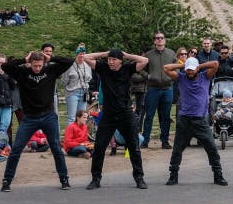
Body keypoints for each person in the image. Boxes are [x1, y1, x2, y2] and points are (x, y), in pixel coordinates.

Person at [1, 50, 74, 192]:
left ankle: (64, 178)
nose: (37, 69)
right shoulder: (23, 73)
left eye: (40, 65)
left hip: (48, 116)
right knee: (16, 149)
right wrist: (24, 59)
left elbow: (69, 62)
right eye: (35, 65)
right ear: (30, 63)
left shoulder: (51, 70)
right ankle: (6, 180)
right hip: (29, 118)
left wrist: (51, 58)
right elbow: (5, 67)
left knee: (56, 148)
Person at [82, 49, 149, 189]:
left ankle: (139, 178)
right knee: (99, 146)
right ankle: (95, 179)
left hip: (125, 112)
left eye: (114, 59)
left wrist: (127, 55)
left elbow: (145, 61)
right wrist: (105, 54)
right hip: (108, 114)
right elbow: (85, 57)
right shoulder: (103, 68)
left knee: (134, 146)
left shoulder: (127, 69)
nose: (111, 62)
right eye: (109, 59)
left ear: (120, 61)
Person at [163, 57, 227, 186]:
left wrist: (198, 66)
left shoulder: (205, 76)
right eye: (188, 70)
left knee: (211, 149)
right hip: (184, 120)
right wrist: (183, 65)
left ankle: (218, 175)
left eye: (192, 70)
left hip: (200, 121)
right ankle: (173, 175)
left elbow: (215, 64)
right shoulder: (181, 77)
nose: (190, 72)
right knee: (177, 150)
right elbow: (166, 68)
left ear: (197, 69)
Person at [143, 33, 177, 149]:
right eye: (157, 38)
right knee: (149, 116)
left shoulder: (171, 53)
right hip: (153, 89)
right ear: (154, 41)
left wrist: (172, 77)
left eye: (161, 38)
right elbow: (141, 69)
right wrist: (147, 76)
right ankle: (145, 140)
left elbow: (176, 68)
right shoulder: (148, 55)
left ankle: (165, 141)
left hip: (167, 88)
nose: (159, 40)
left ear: (165, 40)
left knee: (166, 116)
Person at [61, 46, 92, 125]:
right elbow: (64, 81)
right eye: (79, 54)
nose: (81, 56)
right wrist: (68, 90)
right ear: (76, 54)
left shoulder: (87, 65)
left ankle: (80, 136)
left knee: (82, 116)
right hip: (72, 92)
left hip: (84, 92)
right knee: (72, 117)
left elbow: (89, 78)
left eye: (83, 54)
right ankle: (70, 137)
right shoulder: (70, 65)